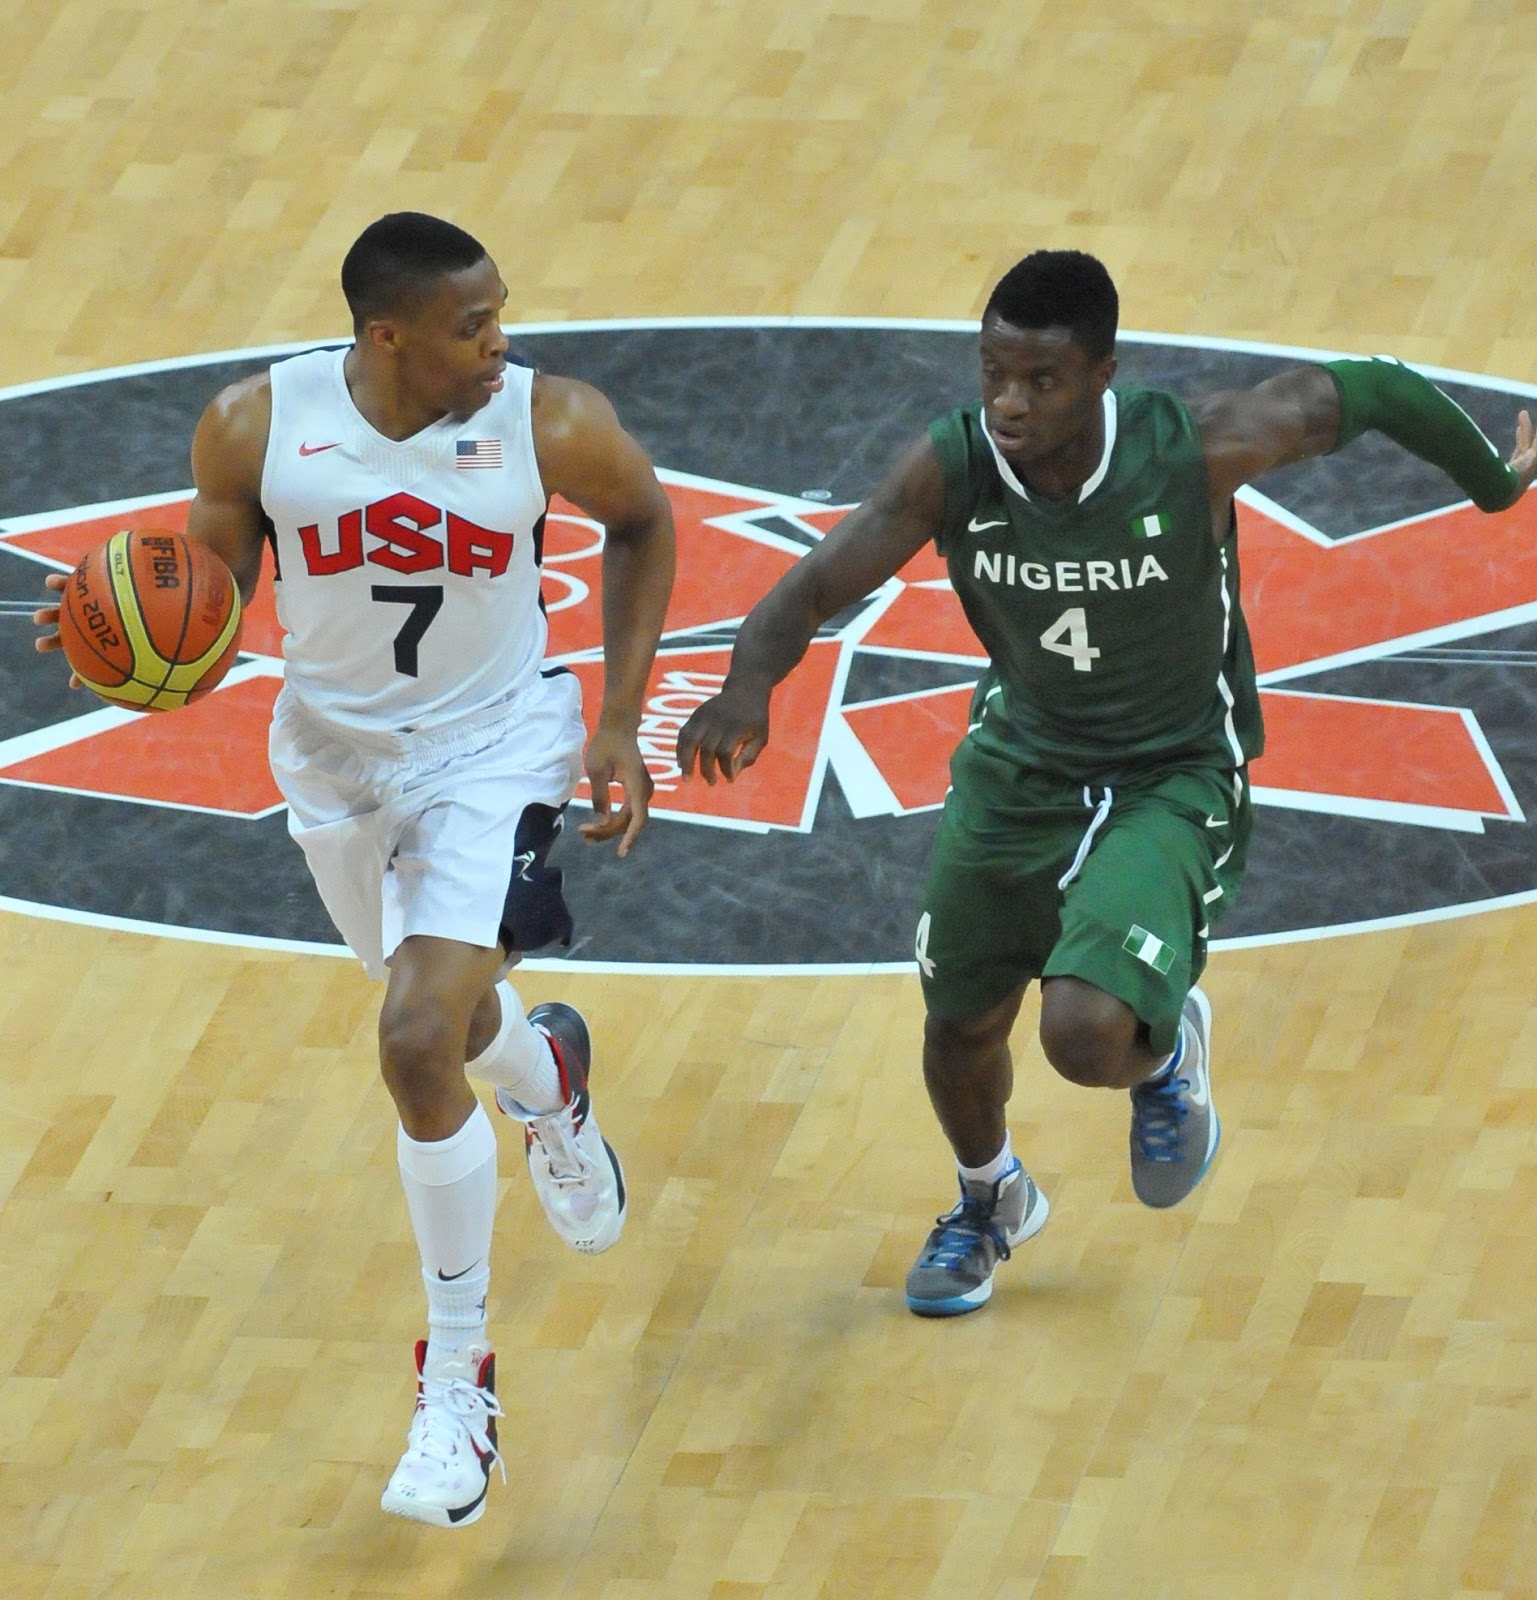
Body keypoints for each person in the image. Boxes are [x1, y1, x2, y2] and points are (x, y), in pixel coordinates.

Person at [677, 249, 1536, 1319]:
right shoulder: (953, 466)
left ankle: (1167, 1045)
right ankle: (991, 1200)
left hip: (1170, 771)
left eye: (1039, 381)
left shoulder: (1194, 449)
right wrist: (746, 687)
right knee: (957, 1032)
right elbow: (812, 583)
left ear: (1102, 375)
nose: (1007, 402)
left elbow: (1366, 389)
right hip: (1022, 763)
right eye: (992, 373)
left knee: (1083, 1036)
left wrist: (1495, 484)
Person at [36, 212, 676, 1526]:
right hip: (330, 764)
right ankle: (549, 1077)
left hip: (494, 750)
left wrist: (615, 718)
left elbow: (647, 521)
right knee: (449, 1030)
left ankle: (458, 1384)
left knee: (412, 1033)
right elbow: (202, 599)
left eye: (500, 312)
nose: (502, 340)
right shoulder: (254, 427)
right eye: (470, 325)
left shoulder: (548, 423)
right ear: (386, 335)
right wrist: (121, 619)